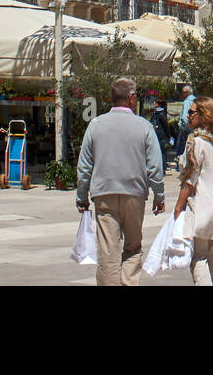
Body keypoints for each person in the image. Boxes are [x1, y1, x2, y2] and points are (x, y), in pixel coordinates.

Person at [75, 77, 166, 286]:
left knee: (108, 251)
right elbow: (154, 167)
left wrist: (82, 197)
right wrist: (159, 196)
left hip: (104, 194)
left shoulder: (95, 125)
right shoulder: (144, 127)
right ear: (131, 98)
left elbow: (84, 167)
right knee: (133, 247)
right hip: (134, 194)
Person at [175, 97, 213, 286]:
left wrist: (178, 206)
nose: (188, 116)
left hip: (202, 206)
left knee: (198, 258)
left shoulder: (197, 142)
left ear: (203, 115)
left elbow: (190, 179)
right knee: (209, 253)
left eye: (191, 113)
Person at [149, 99, 174, 173]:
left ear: (159, 104)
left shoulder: (161, 114)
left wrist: (168, 136)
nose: (154, 103)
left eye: (156, 102)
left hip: (161, 136)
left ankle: (163, 168)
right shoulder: (155, 113)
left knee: (161, 152)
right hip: (156, 135)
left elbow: (165, 126)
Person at [175, 85, 196, 161]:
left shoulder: (187, 102)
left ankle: (180, 165)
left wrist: (185, 126)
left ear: (186, 92)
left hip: (185, 129)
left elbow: (184, 117)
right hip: (193, 127)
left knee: (182, 148)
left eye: (183, 92)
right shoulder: (195, 100)